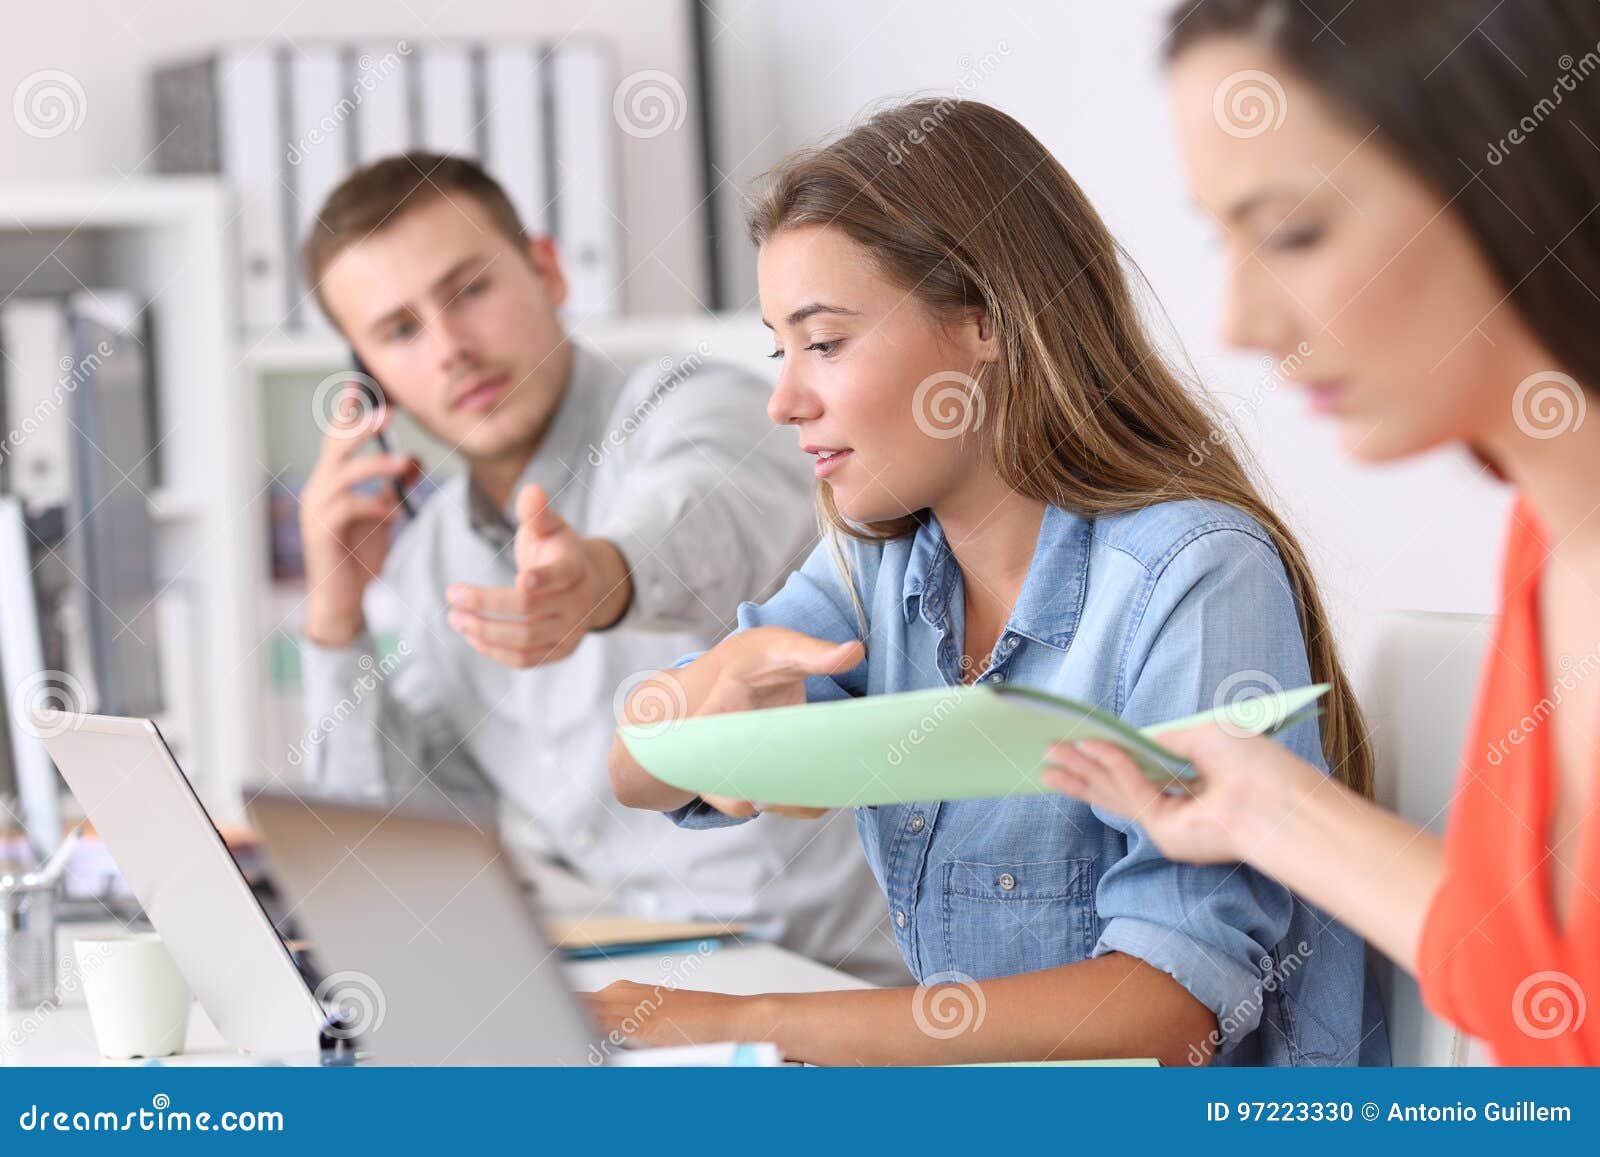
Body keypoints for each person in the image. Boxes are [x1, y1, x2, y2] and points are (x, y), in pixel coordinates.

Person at [598, 99, 1388, 1066]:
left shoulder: (1193, 573)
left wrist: (753, 1024)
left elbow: (1172, 1002)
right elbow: (634, 772)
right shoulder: (883, 560)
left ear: (984, 323)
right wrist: (713, 691)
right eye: (779, 347)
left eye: (826, 342)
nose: (784, 399)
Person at [1045, 0, 1600, 1065]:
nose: (1242, 324)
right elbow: (1538, 981)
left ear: (1511, 175)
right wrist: (1264, 808)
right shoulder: (1549, 530)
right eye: (1225, 241)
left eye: (1293, 232)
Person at [293, 151, 904, 983]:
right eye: (400, 331)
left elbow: (701, 516)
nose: (450, 350)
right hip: (656, 984)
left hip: (845, 983)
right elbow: (392, 853)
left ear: (546, 271)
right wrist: (335, 617)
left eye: (470, 291)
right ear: (371, 379)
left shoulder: (689, 399)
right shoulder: (433, 555)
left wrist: (598, 578)